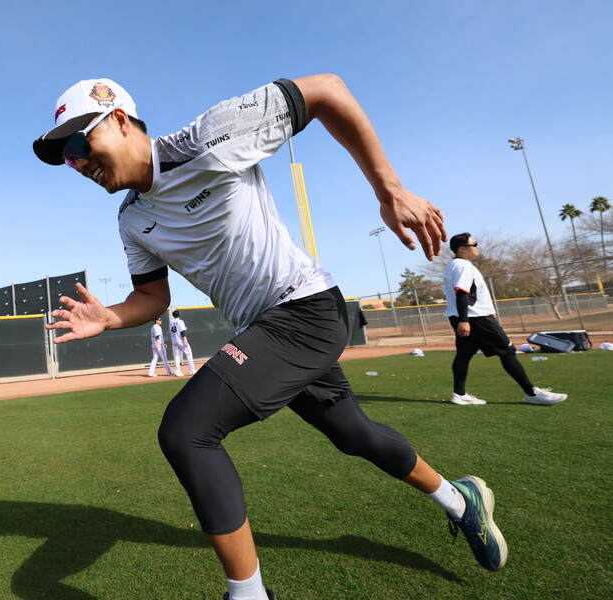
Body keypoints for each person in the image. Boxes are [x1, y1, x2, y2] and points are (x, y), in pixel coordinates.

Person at [34, 76, 506, 598]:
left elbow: (327, 91)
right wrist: (109, 317)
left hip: (305, 307)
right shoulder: (131, 220)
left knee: (187, 431)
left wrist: (388, 189)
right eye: (68, 160)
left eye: (80, 145)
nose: (79, 164)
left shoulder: (208, 138)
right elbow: (152, 297)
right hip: (265, 329)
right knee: (354, 434)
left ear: (121, 119)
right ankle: (460, 500)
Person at [443, 233, 567, 406]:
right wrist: (465, 320)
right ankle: (531, 393)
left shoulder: (453, 265)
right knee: (507, 351)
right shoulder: (463, 266)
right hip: (475, 317)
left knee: (465, 353)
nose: (478, 246)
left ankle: (459, 394)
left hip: (465, 316)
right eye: (474, 244)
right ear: (462, 249)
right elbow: (462, 293)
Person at [169, 310, 196, 376]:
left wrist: (184, 328)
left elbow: (174, 331)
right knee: (189, 353)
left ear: (173, 316)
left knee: (177, 356)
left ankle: (177, 371)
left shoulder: (171, 323)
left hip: (174, 340)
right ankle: (192, 370)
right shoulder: (180, 321)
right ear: (179, 315)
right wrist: (185, 341)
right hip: (180, 340)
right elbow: (182, 332)